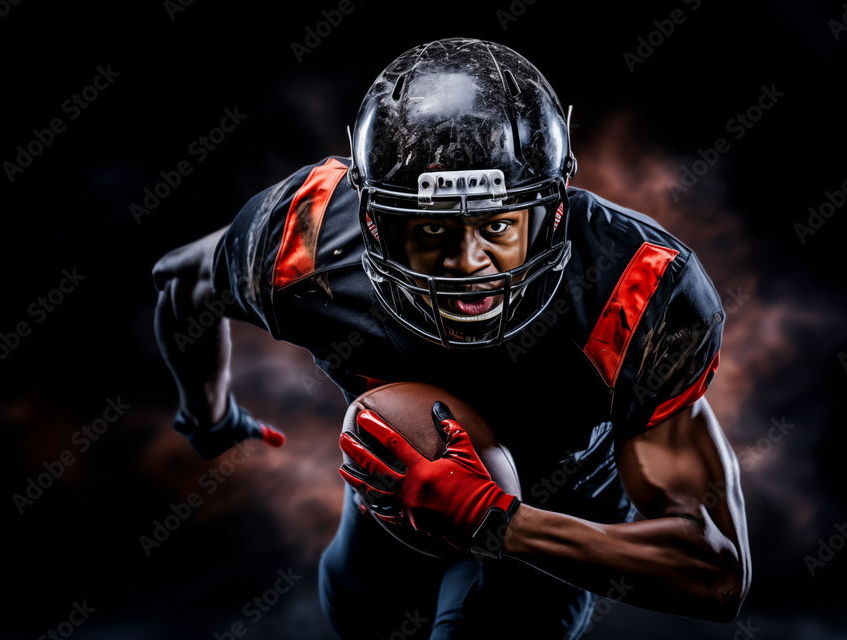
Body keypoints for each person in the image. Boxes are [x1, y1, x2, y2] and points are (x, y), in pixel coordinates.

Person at [153, 38, 750, 639]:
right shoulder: (304, 241)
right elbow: (181, 282)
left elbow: (717, 574)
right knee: (370, 623)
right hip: (394, 495)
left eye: (496, 225)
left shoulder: (636, 288)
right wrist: (208, 418)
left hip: (559, 513)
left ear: (552, 213)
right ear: (375, 221)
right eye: (433, 227)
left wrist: (501, 525)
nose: (468, 263)